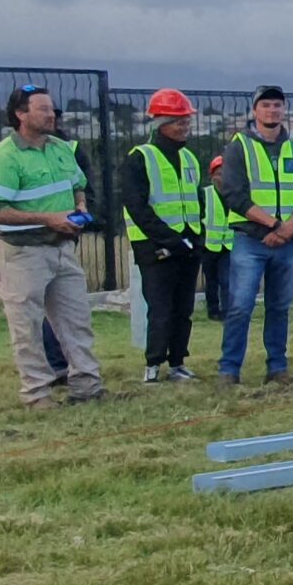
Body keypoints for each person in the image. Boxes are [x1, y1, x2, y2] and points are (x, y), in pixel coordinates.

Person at [0, 84, 104, 408]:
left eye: (52, 109)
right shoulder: (3, 157)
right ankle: (37, 394)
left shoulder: (60, 148)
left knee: (76, 320)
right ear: (20, 114)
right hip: (21, 253)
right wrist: (48, 218)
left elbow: (78, 184)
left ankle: (87, 387)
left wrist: (80, 206)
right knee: (27, 326)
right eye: (43, 109)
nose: (52, 115)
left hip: (62, 247)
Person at [217, 85, 293, 386]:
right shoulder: (239, 146)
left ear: (284, 109)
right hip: (251, 239)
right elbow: (234, 195)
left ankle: (277, 368)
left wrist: (290, 227)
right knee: (240, 307)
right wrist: (275, 225)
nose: (272, 110)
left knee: (279, 307)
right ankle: (229, 370)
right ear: (255, 110)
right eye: (266, 105)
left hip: (287, 241)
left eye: (277, 105)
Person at [121, 88, 206, 384]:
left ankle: (178, 362)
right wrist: (169, 239)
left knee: (183, 308)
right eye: (179, 121)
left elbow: (197, 201)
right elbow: (137, 207)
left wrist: (196, 238)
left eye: (187, 121)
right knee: (160, 308)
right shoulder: (140, 158)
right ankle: (153, 365)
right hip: (155, 246)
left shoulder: (189, 159)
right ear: (161, 124)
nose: (185, 127)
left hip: (189, 243)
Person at [201, 156, 231, 321]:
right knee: (211, 280)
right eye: (218, 174)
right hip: (209, 246)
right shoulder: (205, 194)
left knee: (226, 280)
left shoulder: (234, 193)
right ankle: (213, 310)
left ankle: (227, 310)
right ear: (212, 176)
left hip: (228, 245)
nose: (221, 178)